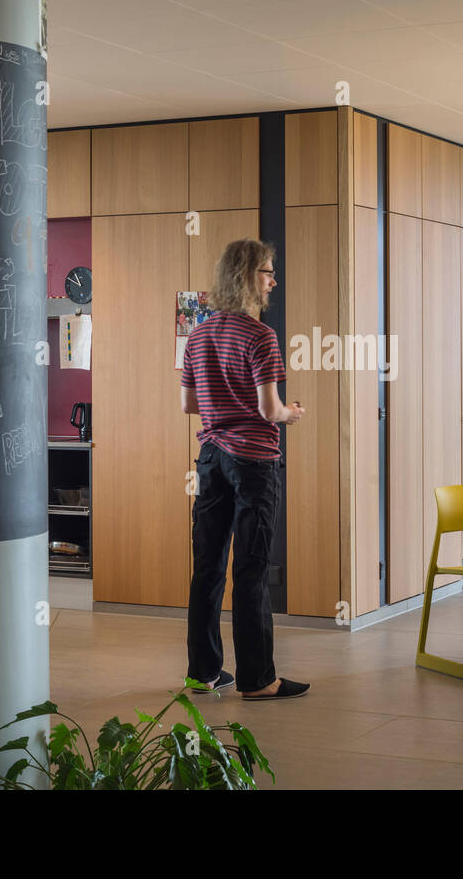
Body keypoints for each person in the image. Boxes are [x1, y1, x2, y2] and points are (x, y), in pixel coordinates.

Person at [180, 239, 310, 701]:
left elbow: (189, 405)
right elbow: (269, 409)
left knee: (208, 566)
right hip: (253, 461)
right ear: (246, 276)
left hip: (211, 459)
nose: (272, 280)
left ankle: (203, 673)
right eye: (267, 272)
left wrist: (222, 409)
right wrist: (292, 412)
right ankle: (258, 679)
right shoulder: (260, 336)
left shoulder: (198, 335)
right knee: (251, 568)